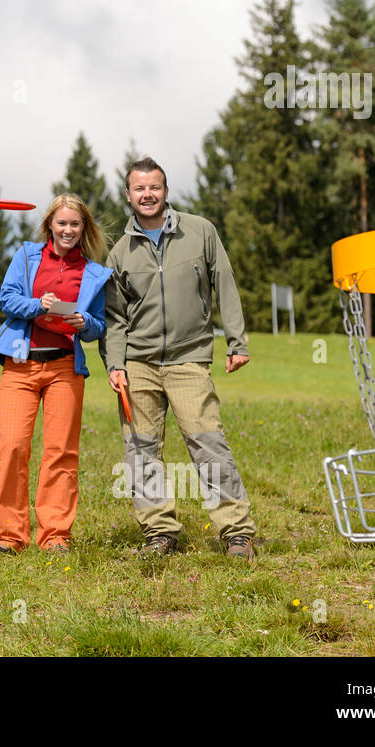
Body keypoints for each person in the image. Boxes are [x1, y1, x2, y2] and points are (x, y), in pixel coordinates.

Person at [101, 156, 257, 559]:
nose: (147, 194)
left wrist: (236, 342)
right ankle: (160, 532)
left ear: (166, 191)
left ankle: (236, 532)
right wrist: (115, 364)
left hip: (189, 358)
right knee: (141, 448)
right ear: (128, 195)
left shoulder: (200, 231)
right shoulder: (120, 253)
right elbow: (114, 317)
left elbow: (225, 283)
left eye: (154, 187)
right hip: (138, 362)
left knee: (208, 442)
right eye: (139, 188)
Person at [0, 194, 111, 554]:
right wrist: (37, 305)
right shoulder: (26, 257)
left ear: (83, 227)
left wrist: (83, 321)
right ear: (50, 226)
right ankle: (8, 536)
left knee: (61, 452)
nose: (68, 230)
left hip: (64, 368)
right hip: (21, 364)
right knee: (12, 447)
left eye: (75, 224)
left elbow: (98, 326)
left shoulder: (94, 273)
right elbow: (7, 299)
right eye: (62, 223)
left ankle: (55, 535)